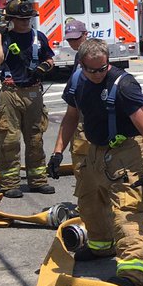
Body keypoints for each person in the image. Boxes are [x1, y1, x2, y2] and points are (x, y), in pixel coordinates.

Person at [53, 38, 143, 286]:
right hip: (93, 151)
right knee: (89, 203)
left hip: (125, 153)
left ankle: (133, 273)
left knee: (126, 212)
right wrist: (58, 152)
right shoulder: (78, 81)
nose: (98, 74)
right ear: (82, 65)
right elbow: (71, 117)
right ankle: (101, 246)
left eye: (102, 69)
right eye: (92, 70)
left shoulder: (125, 86)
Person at [0, 0, 56, 198]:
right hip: (10, 93)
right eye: (20, 19)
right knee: (10, 140)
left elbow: (50, 59)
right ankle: (10, 184)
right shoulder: (6, 37)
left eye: (28, 18)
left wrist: (45, 67)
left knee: (36, 138)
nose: (25, 22)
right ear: (11, 20)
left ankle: (37, 180)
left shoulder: (38, 37)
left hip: (34, 93)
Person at [48, 20, 91, 181]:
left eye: (76, 38)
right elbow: (70, 115)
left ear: (85, 35)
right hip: (81, 118)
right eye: (70, 39)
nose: (73, 42)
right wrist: (57, 153)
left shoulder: (91, 57)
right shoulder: (79, 57)